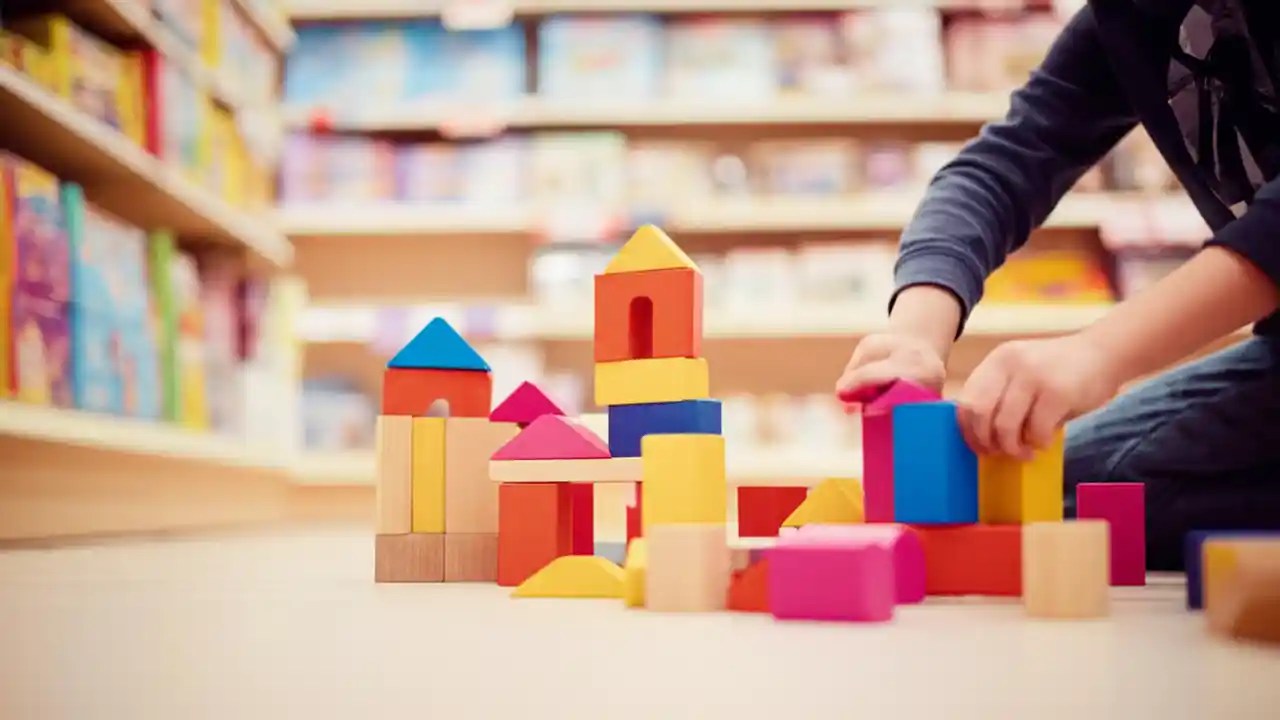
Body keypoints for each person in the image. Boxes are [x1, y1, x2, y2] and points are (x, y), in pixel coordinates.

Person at [835, 0, 1280, 570]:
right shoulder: (1128, 16)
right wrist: (915, 332)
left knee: (1077, 506)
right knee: (1046, 499)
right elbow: (1005, 164)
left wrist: (1099, 353)